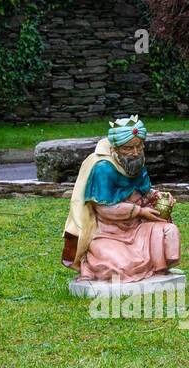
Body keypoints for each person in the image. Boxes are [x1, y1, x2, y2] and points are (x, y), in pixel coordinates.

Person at [61, 116, 179, 282]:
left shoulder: (136, 162)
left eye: (139, 146)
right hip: (108, 234)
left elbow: (143, 191)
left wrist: (157, 196)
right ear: (116, 148)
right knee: (123, 266)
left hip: (137, 228)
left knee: (170, 232)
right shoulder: (104, 169)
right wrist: (140, 211)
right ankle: (89, 263)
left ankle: (156, 268)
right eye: (129, 148)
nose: (135, 152)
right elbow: (104, 209)